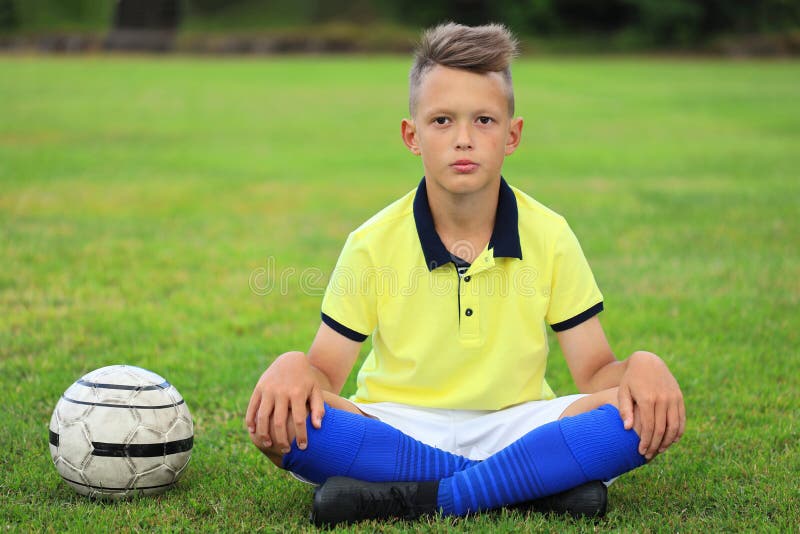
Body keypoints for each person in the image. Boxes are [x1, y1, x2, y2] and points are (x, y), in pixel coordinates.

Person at [245, 22, 685, 527]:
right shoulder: (372, 242)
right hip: (396, 423)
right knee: (283, 424)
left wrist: (643, 365)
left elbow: (596, 375)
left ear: (512, 135)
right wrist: (290, 365)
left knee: (634, 421)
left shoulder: (551, 234)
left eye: (483, 120)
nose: (463, 139)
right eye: (441, 121)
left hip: (518, 423)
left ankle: (420, 494)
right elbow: (323, 375)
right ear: (412, 136)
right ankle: (528, 486)